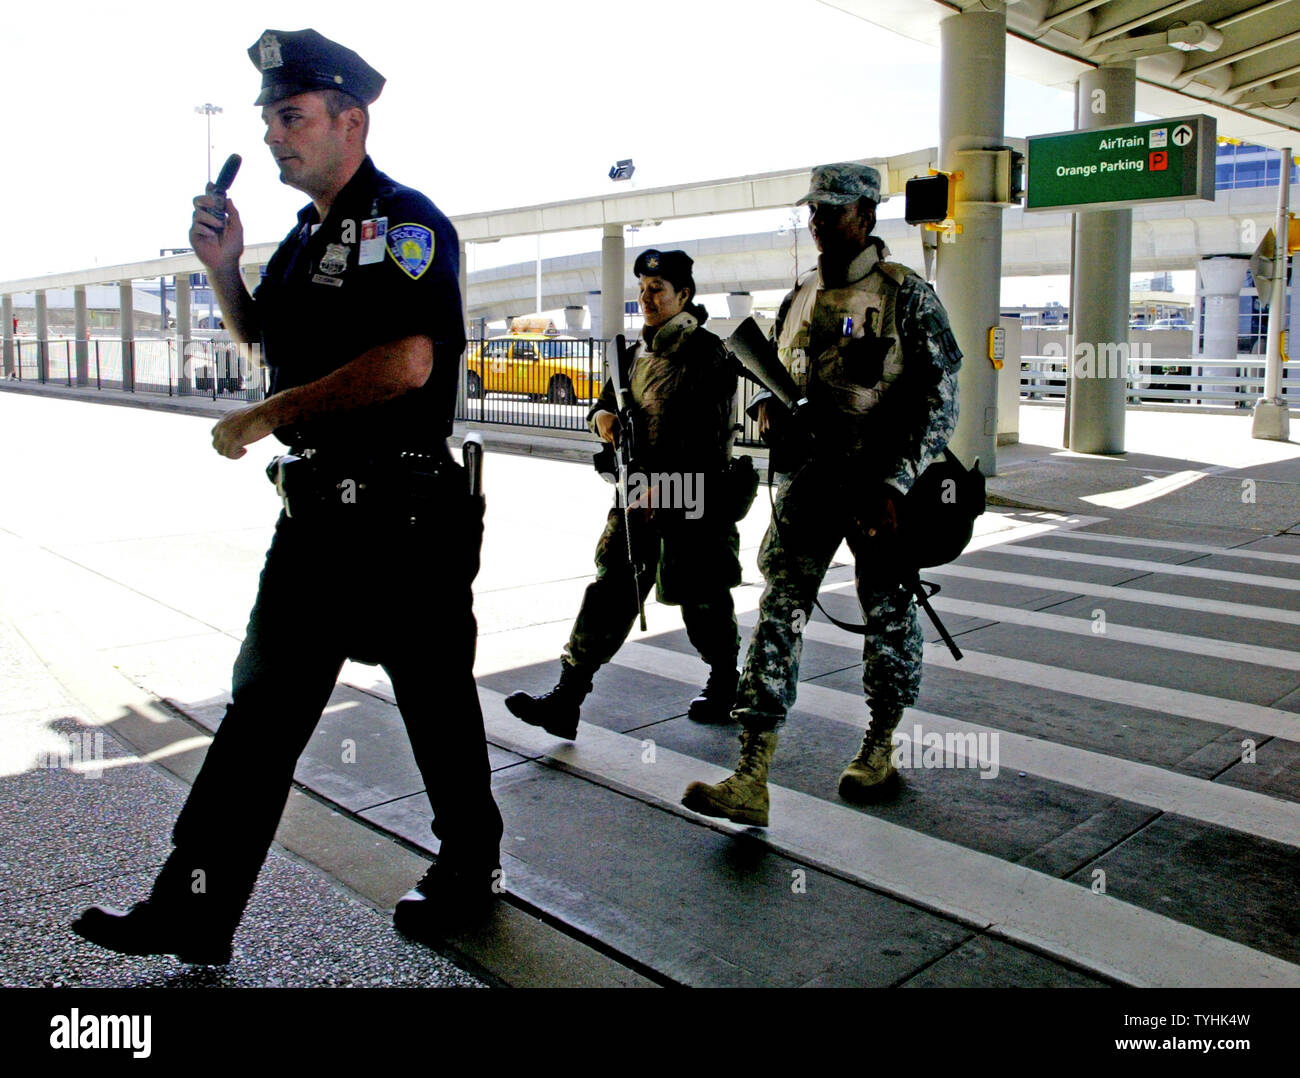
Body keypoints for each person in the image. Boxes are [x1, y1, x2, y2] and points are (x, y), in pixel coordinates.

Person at [72, 28, 502, 964]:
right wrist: (225, 267)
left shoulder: (405, 221)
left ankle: (471, 866)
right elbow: (266, 335)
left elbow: (409, 360)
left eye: (291, 116)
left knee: (434, 702)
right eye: (268, 118)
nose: (273, 135)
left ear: (352, 119)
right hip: (316, 519)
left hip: (404, 515)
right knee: (261, 709)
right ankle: (191, 909)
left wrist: (275, 412)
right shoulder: (306, 240)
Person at [681, 162, 962, 827]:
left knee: (888, 611)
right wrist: (769, 418)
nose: (817, 221)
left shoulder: (907, 296)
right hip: (813, 478)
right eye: (813, 211)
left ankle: (880, 744)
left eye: (831, 211)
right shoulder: (801, 296)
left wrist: (898, 480)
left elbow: (940, 400)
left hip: (880, 485)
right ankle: (752, 771)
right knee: (780, 607)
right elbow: (780, 381)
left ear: (865, 215)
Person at [505, 249, 747, 738]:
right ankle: (567, 698)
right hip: (637, 490)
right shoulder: (632, 353)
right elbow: (602, 403)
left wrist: (667, 487)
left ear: (684, 295)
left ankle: (725, 681)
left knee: (701, 595)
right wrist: (602, 420)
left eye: (657, 290)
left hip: (692, 493)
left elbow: (706, 434)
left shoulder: (707, 353)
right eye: (641, 289)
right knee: (613, 587)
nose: (647, 297)